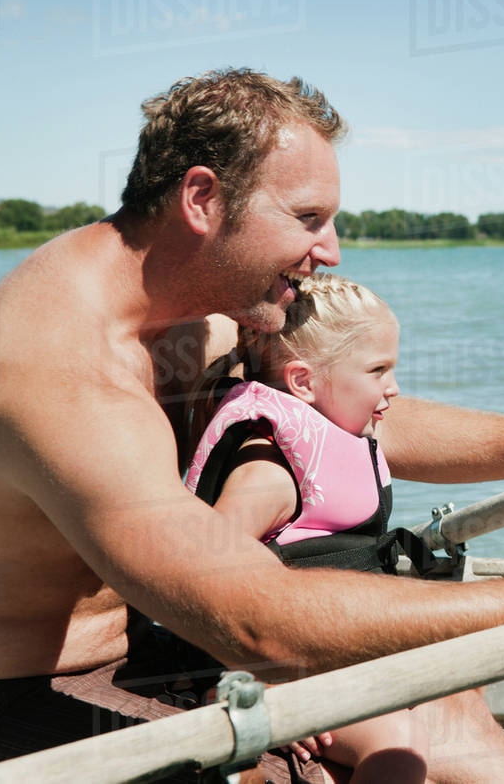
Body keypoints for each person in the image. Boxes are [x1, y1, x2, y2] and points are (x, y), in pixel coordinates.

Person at [0, 69, 504, 783]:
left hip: (137, 652)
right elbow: (254, 620)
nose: (330, 249)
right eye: (306, 218)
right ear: (202, 198)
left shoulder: (196, 313)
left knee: (435, 700)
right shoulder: (63, 375)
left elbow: (339, 427)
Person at [185, 273, 429, 782]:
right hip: (283, 667)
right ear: (303, 382)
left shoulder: (334, 439)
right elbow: (196, 573)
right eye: (378, 370)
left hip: (338, 654)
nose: (394, 388)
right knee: (398, 747)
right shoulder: (271, 472)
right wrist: (254, 684)